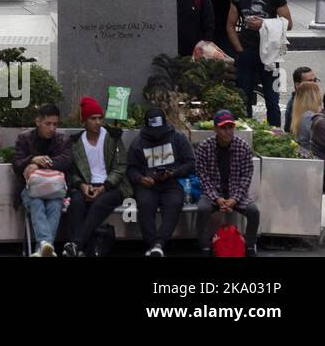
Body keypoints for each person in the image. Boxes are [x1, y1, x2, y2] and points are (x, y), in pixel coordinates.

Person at [226, 0, 291, 127]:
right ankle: (247, 134)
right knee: (244, 98)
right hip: (247, 52)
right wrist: (239, 51)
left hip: (270, 53)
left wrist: (264, 24)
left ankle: (275, 135)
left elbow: (288, 23)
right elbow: (230, 25)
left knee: (272, 100)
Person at [63, 96, 130, 256]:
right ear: (85, 121)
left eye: (100, 118)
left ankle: (76, 245)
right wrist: (82, 185)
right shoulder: (75, 142)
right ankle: (79, 251)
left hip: (113, 186)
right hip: (87, 185)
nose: (98, 122)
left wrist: (104, 187)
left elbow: (120, 167)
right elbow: (72, 171)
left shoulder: (113, 137)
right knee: (76, 204)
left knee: (99, 203)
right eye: (93, 118)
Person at [127, 106, 196, 256]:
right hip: (148, 184)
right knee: (144, 203)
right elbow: (131, 169)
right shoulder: (138, 143)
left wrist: (173, 173)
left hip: (172, 181)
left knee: (174, 203)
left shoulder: (177, 137)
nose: (157, 136)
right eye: (153, 132)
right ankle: (153, 245)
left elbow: (191, 163)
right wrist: (141, 178)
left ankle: (159, 243)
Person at [194, 109, 260, 256]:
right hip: (212, 194)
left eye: (230, 127)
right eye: (223, 127)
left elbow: (247, 176)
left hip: (236, 193)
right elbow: (202, 175)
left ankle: (249, 247)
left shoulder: (243, 147)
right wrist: (216, 198)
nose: (228, 131)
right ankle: (205, 246)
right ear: (215, 129)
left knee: (254, 211)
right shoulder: (204, 147)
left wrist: (234, 199)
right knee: (202, 209)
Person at [13, 103, 72, 257]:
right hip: (30, 189)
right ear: (38, 121)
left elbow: (66, 161)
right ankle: (46, 245)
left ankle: (42, 249)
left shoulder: (62, 139)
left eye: (55, 124)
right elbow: (17, 164)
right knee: (36, 201)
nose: (52, 128)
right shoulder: (24, 138)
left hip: (55, 189)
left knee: (55, 203)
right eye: (48, 124)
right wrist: (32, 159)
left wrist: (38, 163)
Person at [285, 67, 319, 131]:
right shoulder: (294, 106)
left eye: (315, 80)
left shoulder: (311, 98)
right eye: (310, 81)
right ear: (298, 85)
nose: (315, 84)